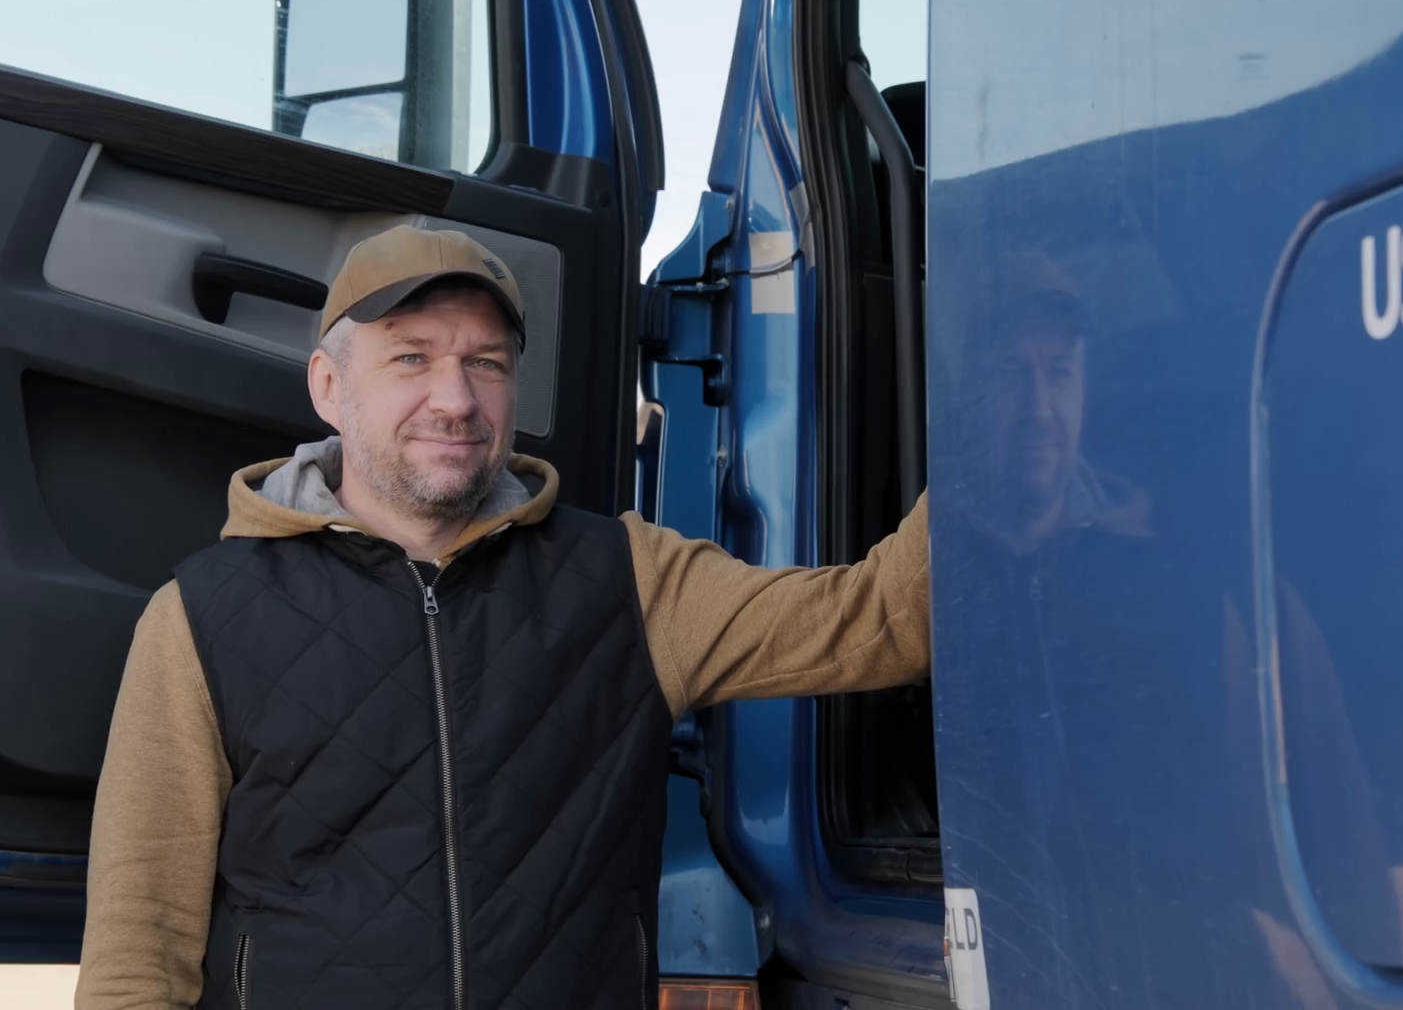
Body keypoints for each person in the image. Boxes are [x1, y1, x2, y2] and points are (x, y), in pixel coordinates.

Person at [73, 225, 932, 1010]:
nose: (455, 398)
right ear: (329, 387)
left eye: (486, 363)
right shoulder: (203, 615)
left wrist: (994, 407)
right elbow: (137, 954)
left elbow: (884, 620)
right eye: (411, 358)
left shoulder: (629, 578)